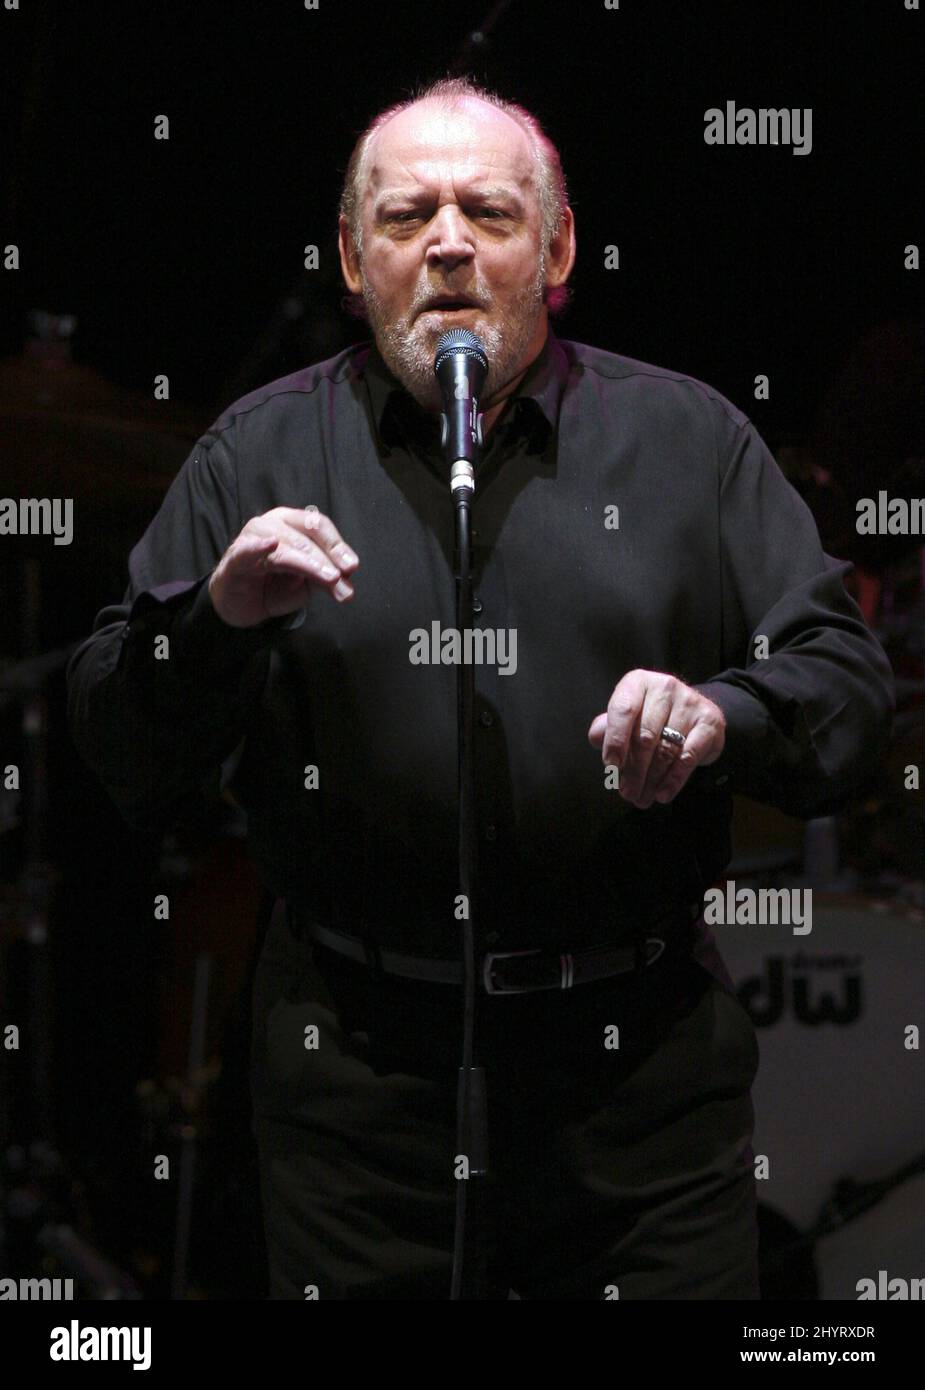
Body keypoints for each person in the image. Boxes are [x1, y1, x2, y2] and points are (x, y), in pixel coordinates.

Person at [66, 76, 894, 1300]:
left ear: (555, 247)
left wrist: (725, 715)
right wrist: (217, 621)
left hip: (638, 1089)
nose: (447, 242)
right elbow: (115, 741)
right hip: (356, 1093)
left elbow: (848, 687)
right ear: (353, 258)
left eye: (488, 213)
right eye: (405, 218)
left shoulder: (687, 441)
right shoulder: (260, 451)